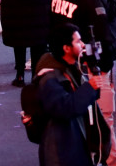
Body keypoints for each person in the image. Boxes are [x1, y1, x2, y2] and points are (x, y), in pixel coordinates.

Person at [50, 0, 116, 166]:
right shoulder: (90, 0)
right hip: (91, 66)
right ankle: (114, 159)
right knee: (104, 116)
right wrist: (105, 67)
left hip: (66, 64)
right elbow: (103, 37)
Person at [33, 22, 110, 166]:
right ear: (66, 48)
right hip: (63, 151)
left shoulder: (71, 68)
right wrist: (90, 87)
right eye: (77, 41)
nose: (82, 44)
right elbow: (64, 108)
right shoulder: (50, 78)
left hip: (76, 144)